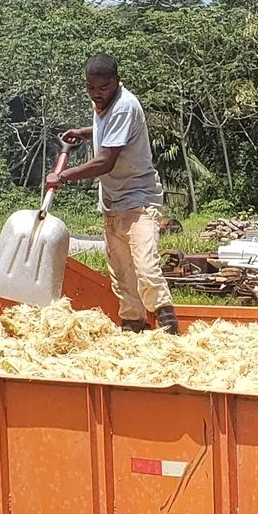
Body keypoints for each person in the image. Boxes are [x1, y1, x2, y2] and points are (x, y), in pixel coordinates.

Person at [48, 54, 174, 331]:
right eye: (91, 88)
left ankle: (169, 329)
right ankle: (133, 325)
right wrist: (84, 132)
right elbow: (107, 128)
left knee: (146, 268)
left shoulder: (126, 106)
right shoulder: (101, 104)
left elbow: (106, 161)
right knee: (122, 274)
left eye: (103, 88)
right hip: (113, 201)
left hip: (139, 200)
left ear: (117, 82)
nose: (96, 94)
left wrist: (63, 176)